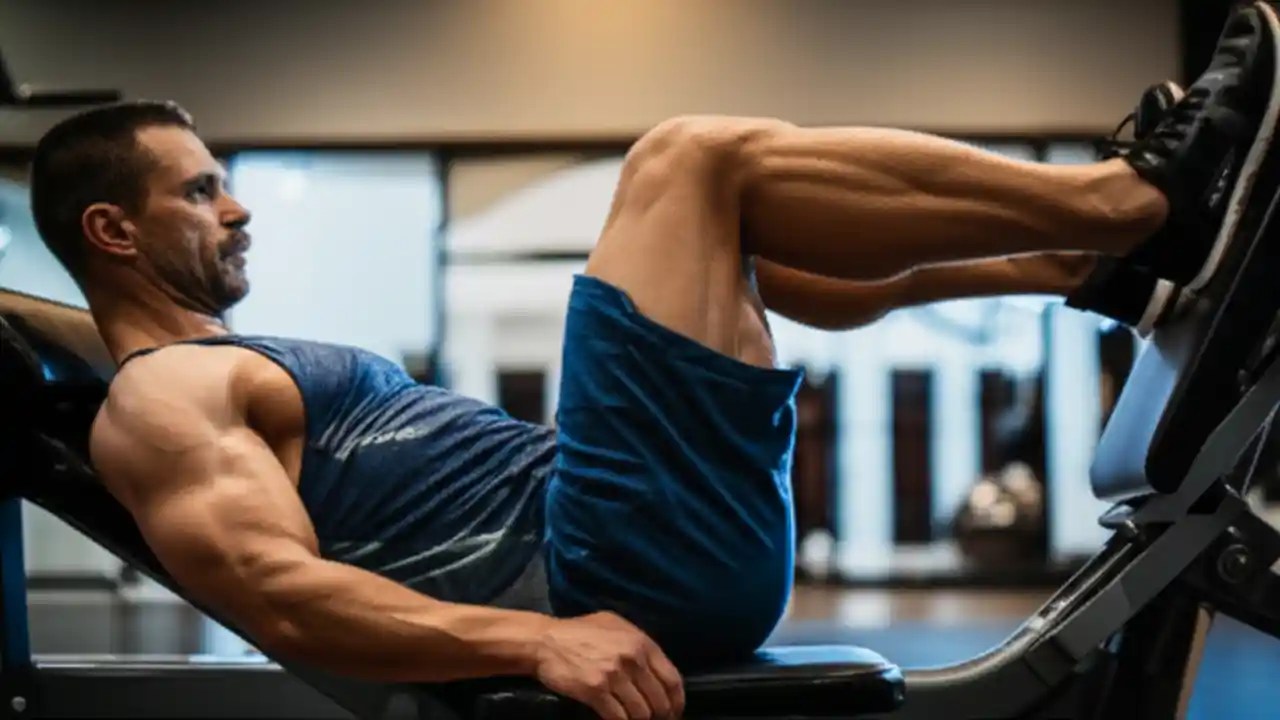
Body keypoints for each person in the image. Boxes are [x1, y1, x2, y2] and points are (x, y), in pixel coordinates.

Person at [25, 3, 1280, 719]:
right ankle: (1136, 205)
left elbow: (103, 330)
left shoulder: (192, 366)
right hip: (598, 564)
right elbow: (274, 593)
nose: (237, 211)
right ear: (113, 230)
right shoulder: (160, 404)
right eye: (202, 194)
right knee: (689, 163)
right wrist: (532, 646)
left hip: (625, 537)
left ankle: (1087, 273)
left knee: (758, 248)